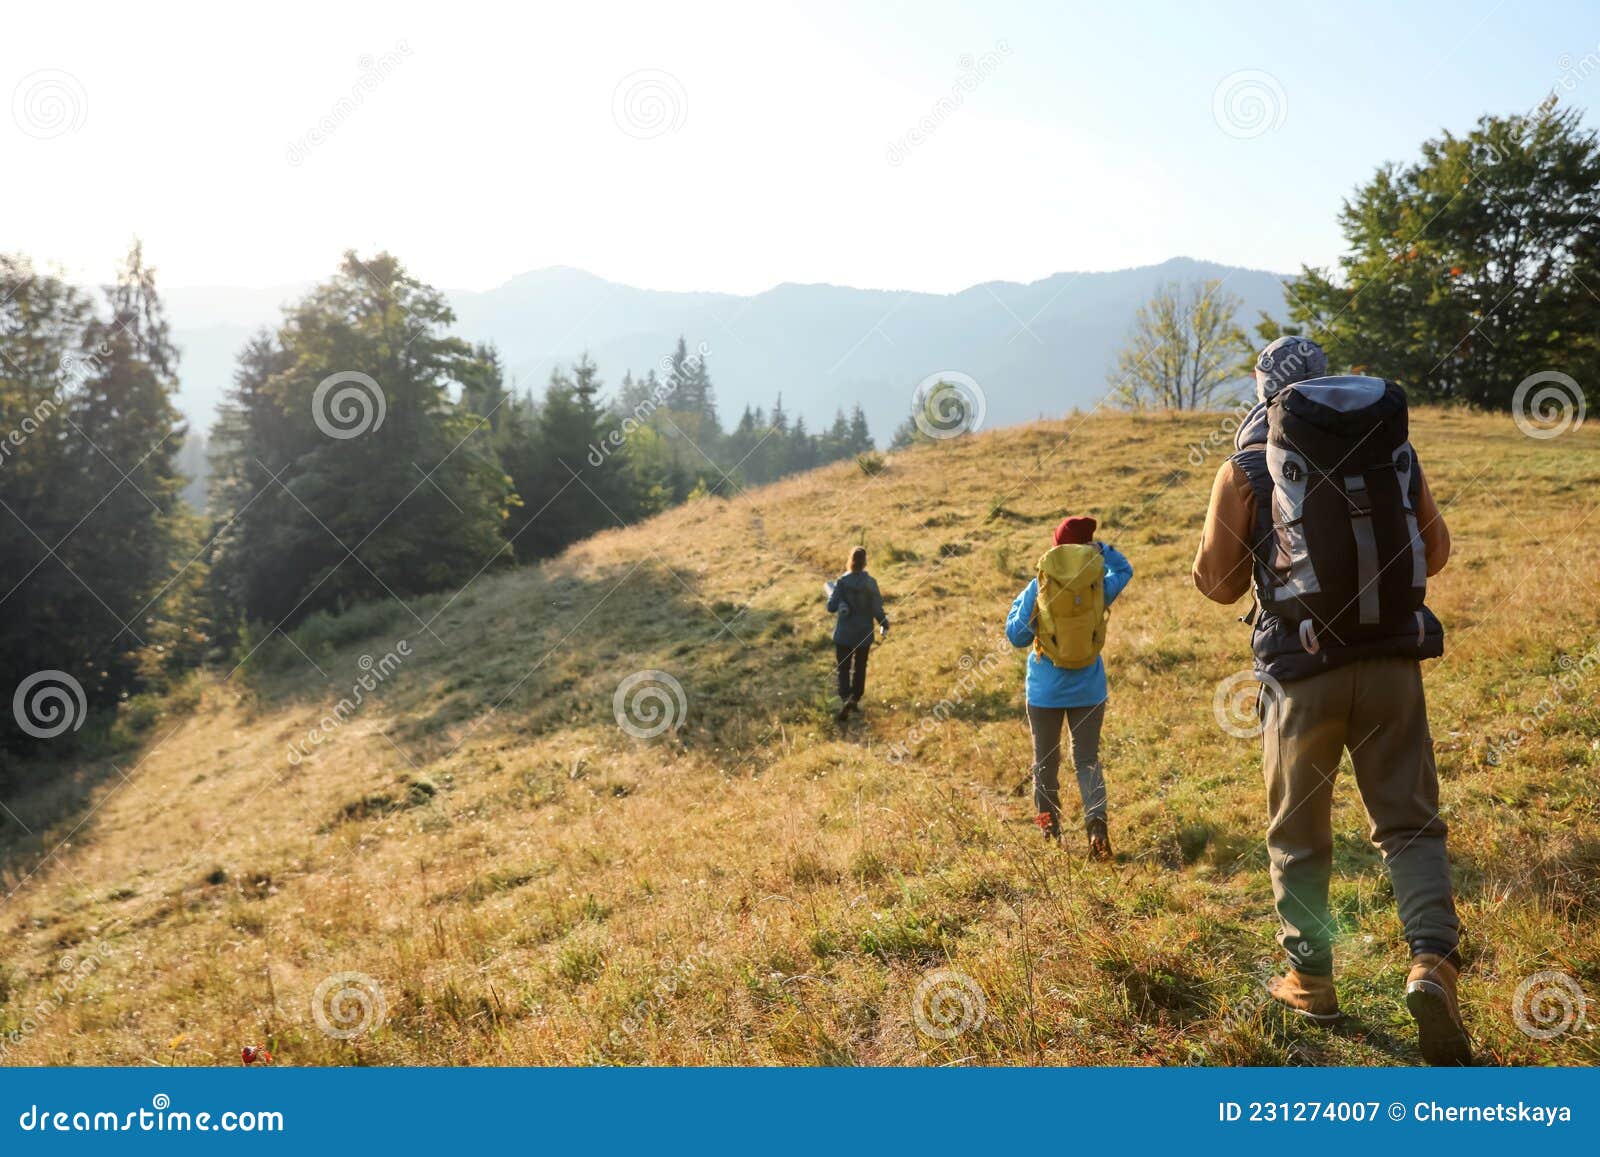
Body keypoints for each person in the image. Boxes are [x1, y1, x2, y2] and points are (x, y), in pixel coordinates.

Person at [1192, 335, 1470, 1065]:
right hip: (1391, 663)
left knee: (1299, 833)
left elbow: (1218, 585)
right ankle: (1432, 963)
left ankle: (1310, 979)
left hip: (1300, 671)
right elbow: (1434, 553)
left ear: (1265, 394)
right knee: (1410, 823)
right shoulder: (1389, 445)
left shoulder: (1247, 466)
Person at [1005, 515, 1133, 861]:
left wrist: (1028, 611)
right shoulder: (1098, 585)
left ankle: (1048, 829)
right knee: (1087, 761)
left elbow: (1015, 636)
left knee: (1044, 764)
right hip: (1089, 690)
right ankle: (1097, 828)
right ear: (1086, 547)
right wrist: (1102, 550)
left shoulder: (1040, 585)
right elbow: (1126, 570)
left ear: (1056, 546)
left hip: (1044, 693)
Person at [826, 546, 888, 721]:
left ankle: (845, 698)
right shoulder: (871, 583)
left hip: (844, 634)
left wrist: (836, 601)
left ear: (850, 561)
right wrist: (884, 623)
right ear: (865, 562)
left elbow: (831, 607)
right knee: (860, 668)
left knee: (843, 668)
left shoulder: (842, 582)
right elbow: (877, 608)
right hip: (864, 633)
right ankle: (855, 698)